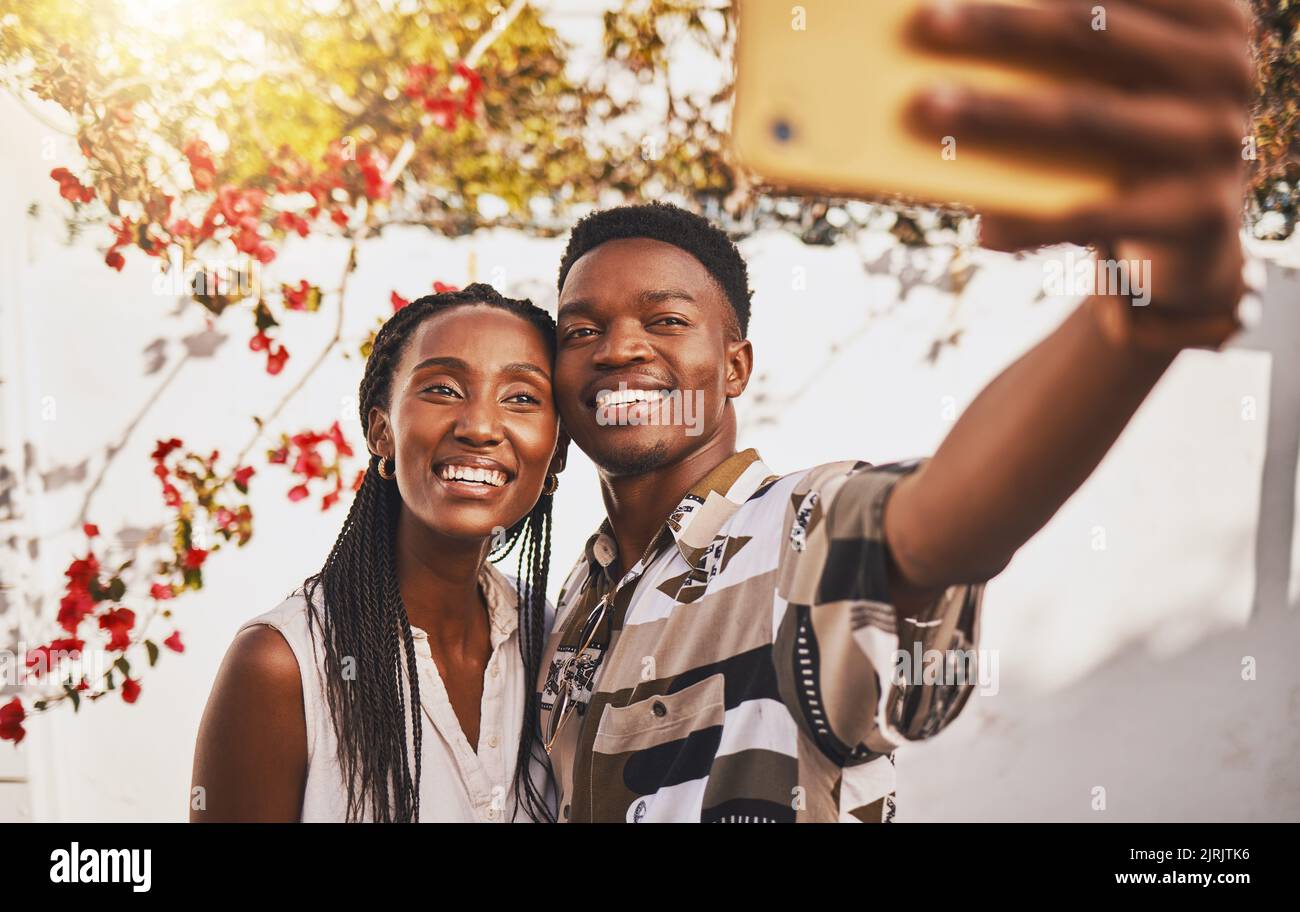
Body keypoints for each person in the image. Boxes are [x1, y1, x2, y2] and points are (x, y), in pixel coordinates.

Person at [538, 1, 1253, 821]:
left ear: (735, 366)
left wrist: (1136, 319)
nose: (618, 349)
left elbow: (940, 522)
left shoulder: (799, 525)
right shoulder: (572, 606)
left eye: (666, 321)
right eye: (582, 329)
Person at [191, 285, 566, 822]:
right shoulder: (283, 667)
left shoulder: (553, 641)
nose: (480, 427)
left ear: (555, 454)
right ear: (380, 430)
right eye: (442, 389)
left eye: (523, 398)